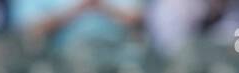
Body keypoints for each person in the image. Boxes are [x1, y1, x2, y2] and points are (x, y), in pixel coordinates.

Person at [11, 0, 144, 49]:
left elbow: (138, 19)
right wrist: (78, 9)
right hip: (60, 57)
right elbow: (31, 29)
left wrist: (101, 5)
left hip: (117, 53)